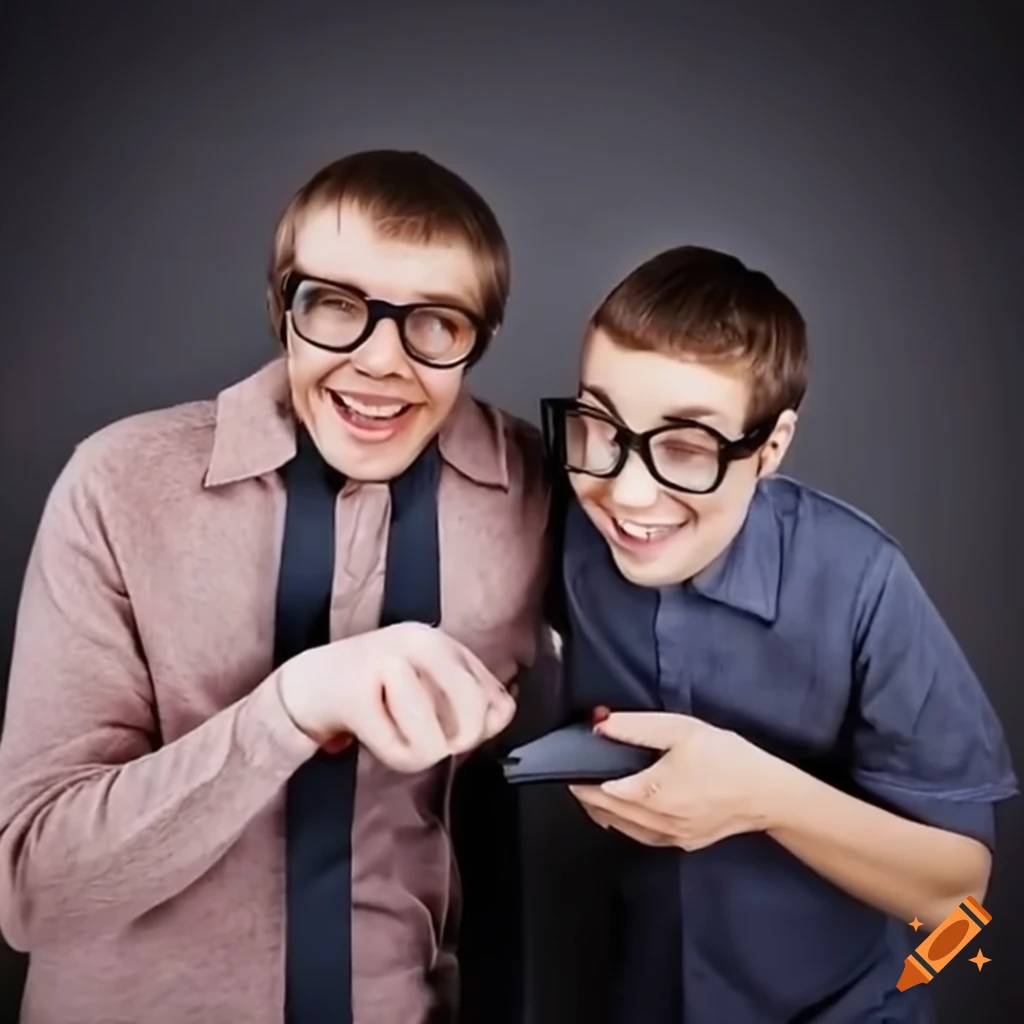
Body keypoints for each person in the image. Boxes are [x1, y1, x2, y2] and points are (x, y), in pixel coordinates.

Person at [0, 150, 554, 1024]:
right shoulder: (118, 485)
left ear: (478, 340)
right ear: (281, 309)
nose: (379, 362)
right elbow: (33, 883)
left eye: (436, 322)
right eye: (335, 306)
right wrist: (291, 707)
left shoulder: (539, 491)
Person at [541, 245, 1017, 1023]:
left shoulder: (864, 582)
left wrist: (761, 797)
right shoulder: (562, 520)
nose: (623, 491)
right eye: (598, 425)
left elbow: (960, 901)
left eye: (688, 448)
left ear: (770, 448)